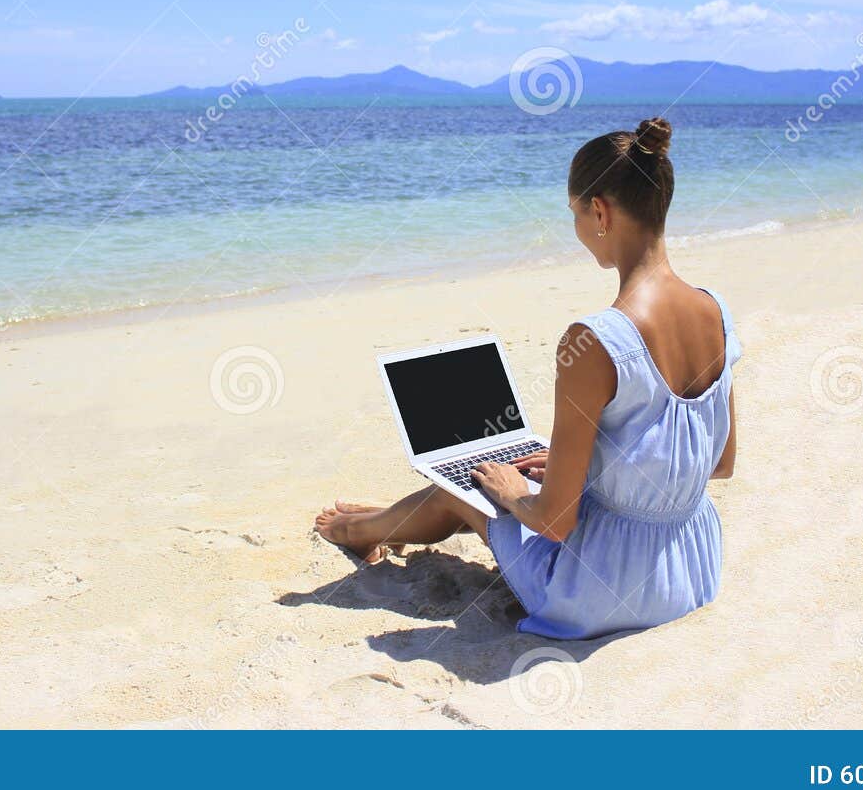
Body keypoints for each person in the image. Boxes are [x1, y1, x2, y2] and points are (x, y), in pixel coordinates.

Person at [315, 117, 739, 639]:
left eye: (576, 213)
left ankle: (360, 530)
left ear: (600, 211)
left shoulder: (595, 339)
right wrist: (595, 467)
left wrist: (515, 489)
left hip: (600, 592)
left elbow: (556, 522)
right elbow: (720, 463)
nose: (579, 229)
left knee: (476, 484)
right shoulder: (715, 312)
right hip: (689, 570)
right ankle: (381, 517)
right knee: (507, 475)